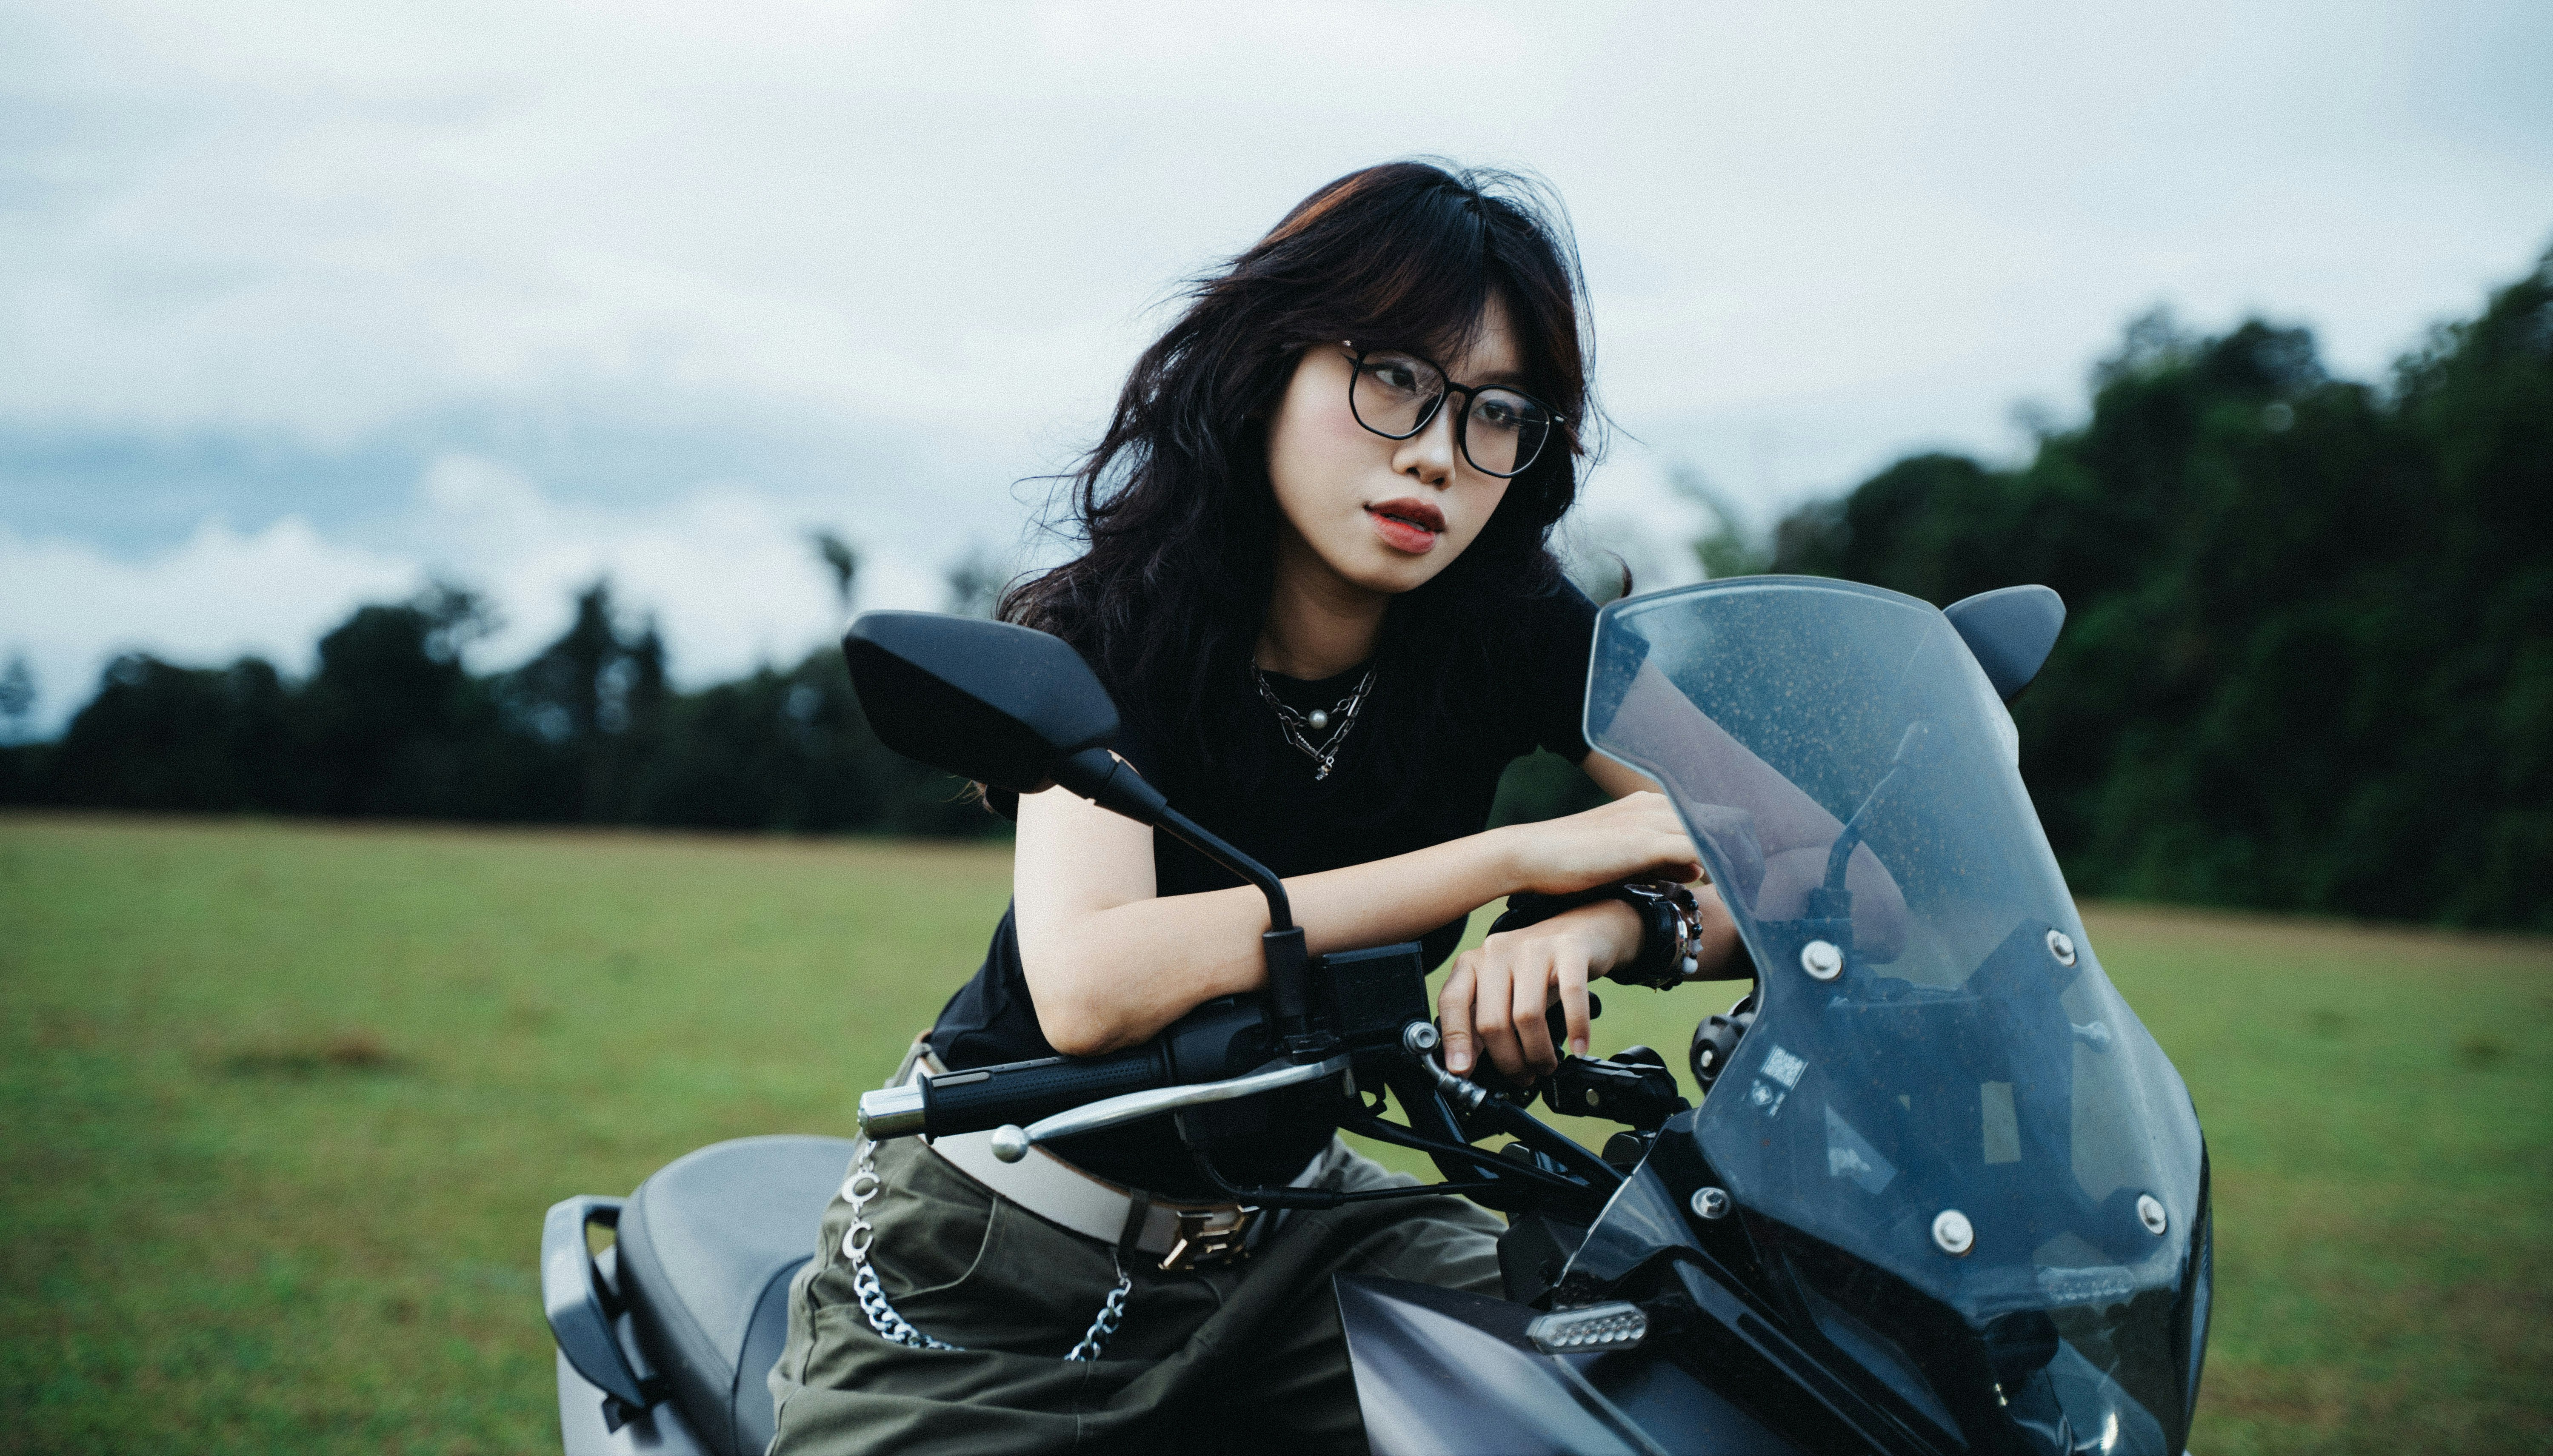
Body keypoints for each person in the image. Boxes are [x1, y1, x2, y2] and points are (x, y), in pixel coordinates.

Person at [769, 160, 1746, 1456]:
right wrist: (1515, 855)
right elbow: (1092, 982)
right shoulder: (1115, 623)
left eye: (1497, 412)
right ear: (1268, 364)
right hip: (998, 1264)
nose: (1436, 455)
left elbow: (1800, 865)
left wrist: (1598, 929)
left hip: (1295, 1238)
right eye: (1392, 377)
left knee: (1676, 1387)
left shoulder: (1509, 627)